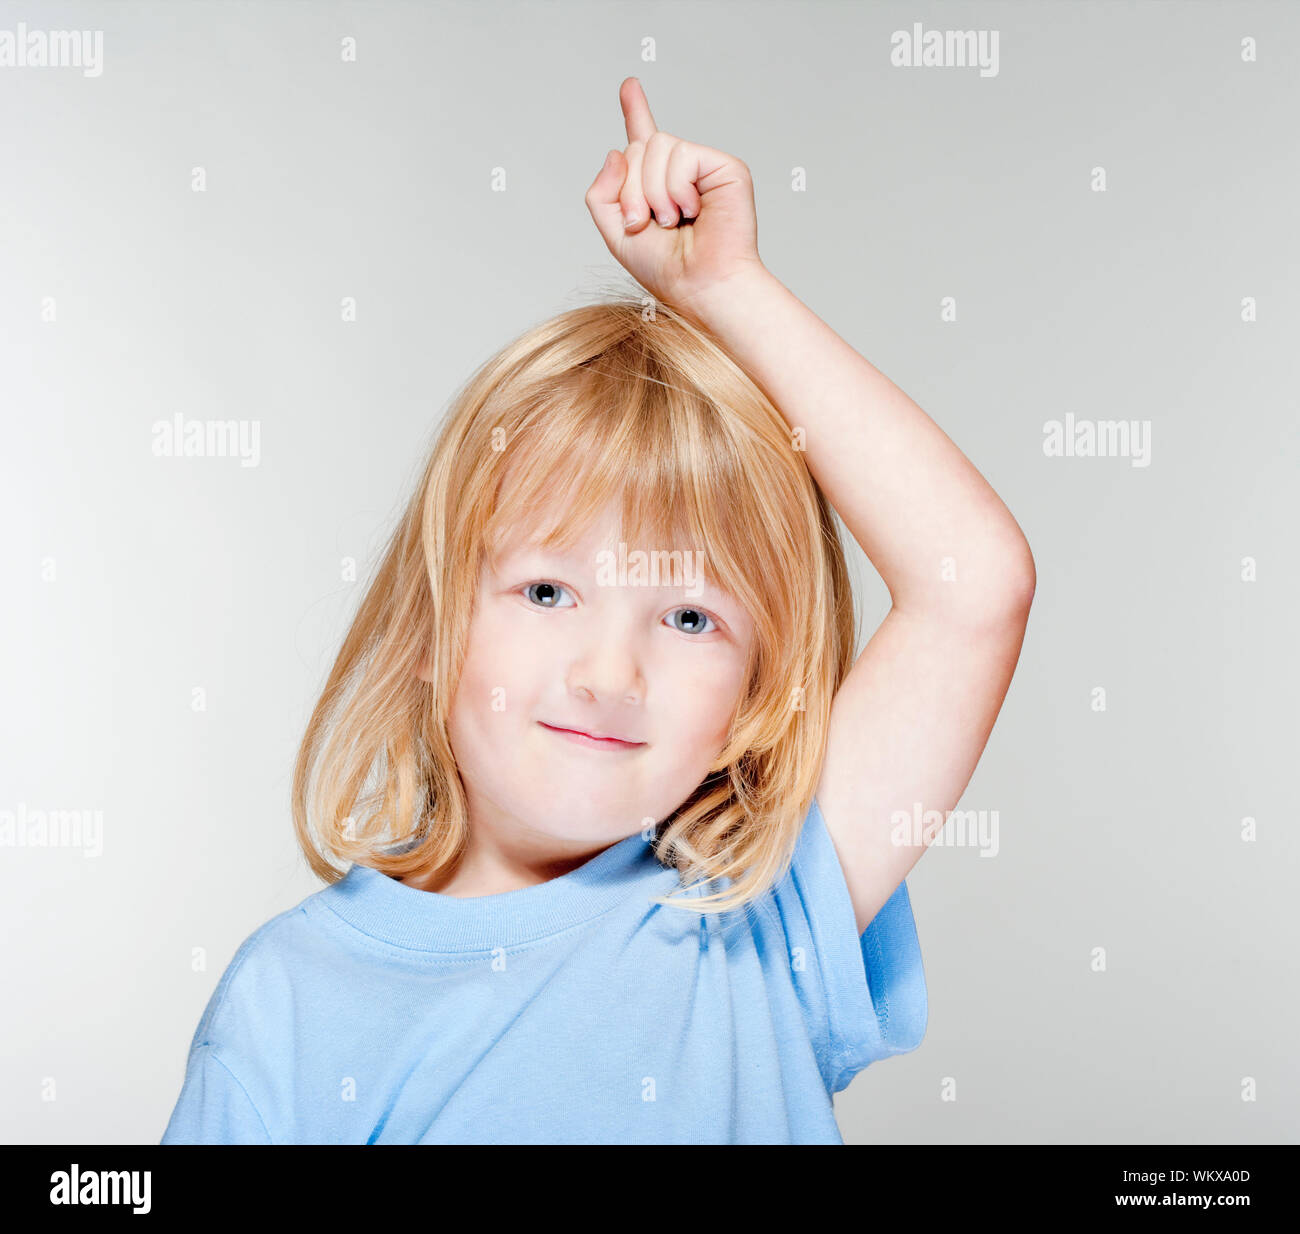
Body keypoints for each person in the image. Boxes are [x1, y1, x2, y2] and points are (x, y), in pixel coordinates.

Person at [160, 77, 1034, 1145]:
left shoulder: (757, 916)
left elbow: (972, 585)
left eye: (688, 619)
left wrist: (729, 290)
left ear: (756, 690)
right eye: (544, 591)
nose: (608, 674)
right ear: (433, 628)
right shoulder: (288, 1002)